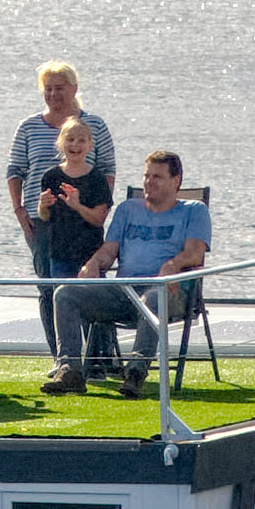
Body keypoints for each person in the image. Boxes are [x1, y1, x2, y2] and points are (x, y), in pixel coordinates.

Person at [48, 149, 209, 398]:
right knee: (65, 293)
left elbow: (195, 253)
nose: (149, 182)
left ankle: (135, 371)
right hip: (125, 291)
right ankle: (70, 370)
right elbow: (109, 251)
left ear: (176, 181)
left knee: (153, 298)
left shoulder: (194, 210)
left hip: (171, 291)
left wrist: (173, 265)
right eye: (146, 176)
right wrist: (93, 264)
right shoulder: (127, 209)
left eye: (157, 177)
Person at [5, 62, 115, 356]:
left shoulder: (94, 125)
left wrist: (98, 208)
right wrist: (20, 210)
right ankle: (62, 357)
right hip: (43, 221)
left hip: (85, 222)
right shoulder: (29, 126)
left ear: (74, 88)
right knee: (48, 287)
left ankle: (101, 357)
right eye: (48, 89)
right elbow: (15, 170)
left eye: (59, 88)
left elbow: (107, 169)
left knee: (92, 285)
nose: (53, 94)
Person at [31, 119, 112, 378]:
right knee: (61, 305)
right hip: (60, 252)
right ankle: (65, 361)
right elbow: (45, 217)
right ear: (61, 143)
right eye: (70, 139)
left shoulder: (97, 178)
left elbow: (99, 218)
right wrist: (42, 205)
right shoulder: (51, 176)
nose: (75, 145)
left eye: (81, 140)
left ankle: (98, 363)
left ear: (90, 145)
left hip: (89, 253)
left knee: (93, 309)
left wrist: (77, 205)